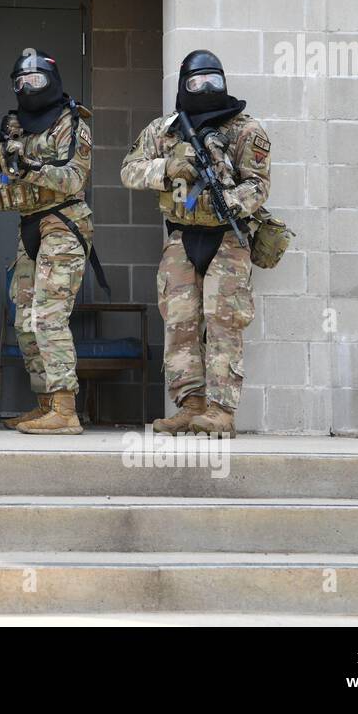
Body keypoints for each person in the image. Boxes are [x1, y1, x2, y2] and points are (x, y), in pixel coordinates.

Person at [120, 50, 271, 437]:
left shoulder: (245, 129)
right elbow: (129, 171)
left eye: (213, 81)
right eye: (196, 82)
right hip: (181, 238)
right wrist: (167, 168)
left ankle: (221, 411)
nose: (205, 89)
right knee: (180, 323)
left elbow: (258, 184)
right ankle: (191, 406)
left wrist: (228, 202)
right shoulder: (164, 130)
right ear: (183, 85)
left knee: (224, 324)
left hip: (227, 238)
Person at [0, 49, 108, 435]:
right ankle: (46, 403)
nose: (28, 88)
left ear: (52, 80)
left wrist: (29, 167)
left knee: (50, 314)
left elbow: (74, 180)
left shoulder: (71, 124)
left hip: (63, 222)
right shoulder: (16, 125)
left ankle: (66, 409)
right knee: (26, 318)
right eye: (21, 82)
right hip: (29, 226)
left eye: (36, 81)